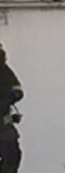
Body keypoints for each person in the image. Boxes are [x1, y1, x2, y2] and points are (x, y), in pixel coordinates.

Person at [0, 43, 22, 173]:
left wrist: (14, 95)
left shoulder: (3, 68)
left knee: (12, 156)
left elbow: (17, 88)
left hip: (3, 122)